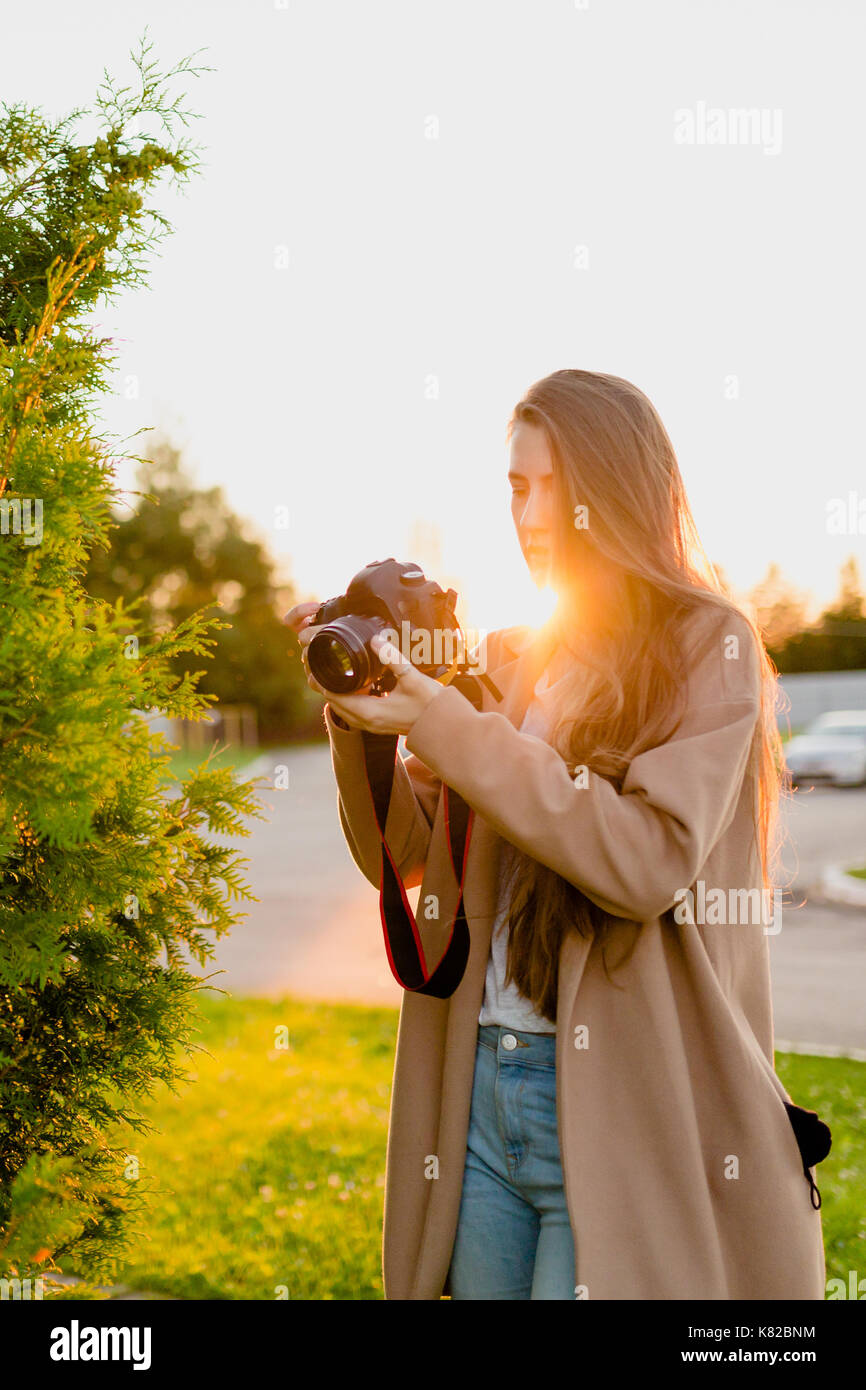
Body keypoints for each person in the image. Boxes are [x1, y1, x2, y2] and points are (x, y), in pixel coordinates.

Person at [286, 368, 826, 1301]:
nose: (526, 514)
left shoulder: (708, 646)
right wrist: (360, 719)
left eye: (546, 485)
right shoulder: (516, 659)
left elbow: (645, 860)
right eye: (513, 487)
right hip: (481, 1095)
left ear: (610, 487)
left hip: (612, 1106)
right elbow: (411, 863)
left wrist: (444, 723)